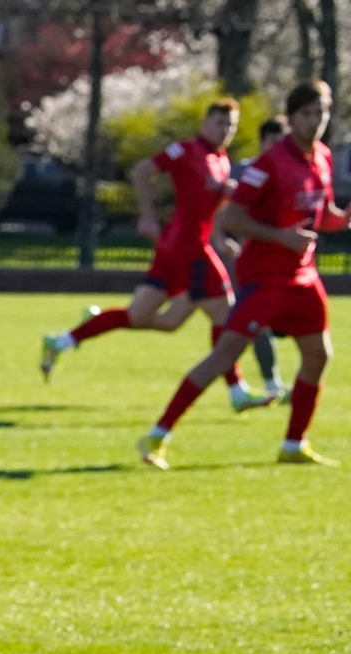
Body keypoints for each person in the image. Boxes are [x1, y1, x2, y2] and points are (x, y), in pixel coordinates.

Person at [138, 80, 346, 469]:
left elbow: (324, 214)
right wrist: (280, 237)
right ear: (292, 116)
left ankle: (293, 444)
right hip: (265, 278)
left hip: (303, 278)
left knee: (318, 356)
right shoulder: (269, 164)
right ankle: (157, 435)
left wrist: (343, 218)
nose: (316, 121)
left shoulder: (322, 157)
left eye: (322, 113)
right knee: (225, 354)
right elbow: (231, 216)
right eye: (307, 114)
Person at [39, 101, 276, 411]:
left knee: (149, 318)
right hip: (188, 248)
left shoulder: (221, 160)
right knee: (227, 315)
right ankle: (237, 392)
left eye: (230, 126)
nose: (225, 131)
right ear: (205, 122)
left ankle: (61, 342)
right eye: (219, 123)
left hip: (180, 247)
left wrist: (220, 233)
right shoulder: (185, 150)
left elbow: (211, 209)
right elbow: (141, 171)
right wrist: (147, 215)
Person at [235, 115, 293, 402]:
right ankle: (269, 385)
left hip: (282, 262)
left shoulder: (290, 172)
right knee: (256, 327)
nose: (277, 147)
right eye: (272, 141)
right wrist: (226, 243)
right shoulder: (247, 171)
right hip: (250, 263)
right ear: (262, 142)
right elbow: (225, 215)